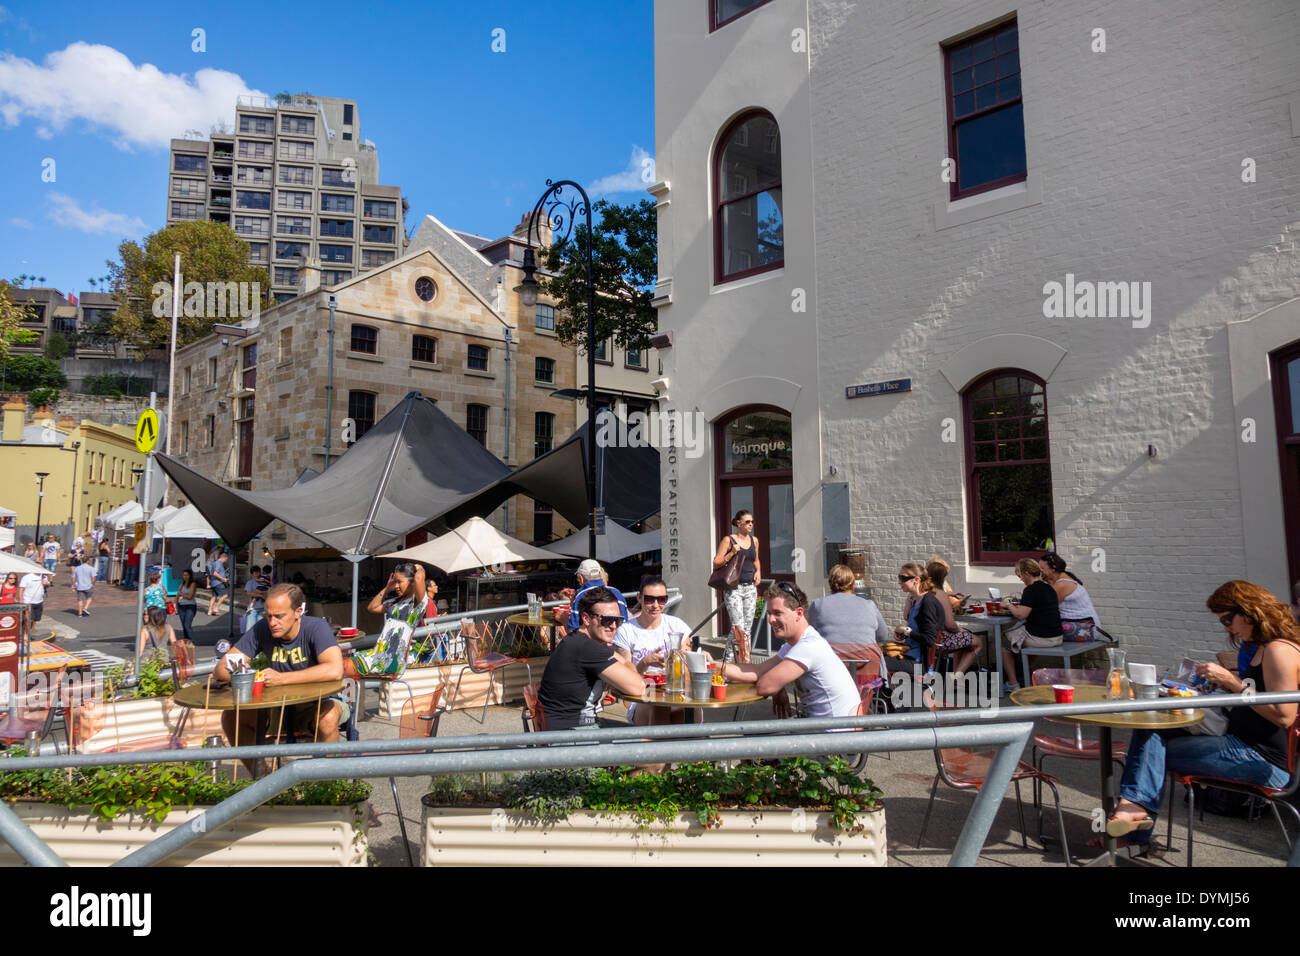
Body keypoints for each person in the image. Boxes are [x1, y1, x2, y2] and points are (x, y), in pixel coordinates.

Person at [1108, 580, 1300, 842]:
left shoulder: (1279, 650)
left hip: (1258, 757)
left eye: (1227, 620)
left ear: (1249, 611)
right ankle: (1133, 820)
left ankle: (1131, 823)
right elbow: (1253, 697)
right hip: (1237, 742)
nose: (1227, 628)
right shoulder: (1262, 648)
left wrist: (1233, 683)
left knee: (1150, 752)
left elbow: (1284, 715)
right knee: (1151, 728)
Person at [215, 583, 347, 748]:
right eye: (268, 616)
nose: (272, 622)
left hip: (319, 702)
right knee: (231, 717)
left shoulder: (316, 628)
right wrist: (246, 674)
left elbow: (335, 670)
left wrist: (281, 679)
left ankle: (329, 773)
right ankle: (263, 773)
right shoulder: (262, 629)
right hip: (279, 705)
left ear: (298, 612)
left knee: (327, 718)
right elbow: (222, 667)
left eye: (279, 616)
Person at [722, 582, 860, 719]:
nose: (770, 620)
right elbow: (759, 670)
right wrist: (712, 666)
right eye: (769, 613)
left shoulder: (808, 646)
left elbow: (765, 686)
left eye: (777, 613)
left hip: (834, 734)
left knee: (750, 736)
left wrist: (777, 686)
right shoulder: (796, 644)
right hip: (824, 728)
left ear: (799, 613)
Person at [538, 587, 644, 731]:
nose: (613, 626)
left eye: (617, 621)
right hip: (571, 734)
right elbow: (638, 687)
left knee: (647, 735)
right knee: (648, 740)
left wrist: (625, 674)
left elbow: (626, 663)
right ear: (586, 619)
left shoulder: (579, 639)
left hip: (567, 727)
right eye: (607, 620)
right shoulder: (587, 648)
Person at [614, 575, 694, 727]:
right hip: (645, 694)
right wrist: (644, 663)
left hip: (676, 693)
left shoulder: (677, 626)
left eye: (662, 599)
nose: (655, 605)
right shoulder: (626, 631)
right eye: (650, 599)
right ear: (639, 598)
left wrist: (676, 661)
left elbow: (688, 675)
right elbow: (624, 679)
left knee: (690, 711)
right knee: (659, 707)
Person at [348, 562, 427, 677]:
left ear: (412, 582)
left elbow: (419, 577)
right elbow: (372, 608)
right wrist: (387, 589)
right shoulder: (394, 602)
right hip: (379, 654)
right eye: (395, 582)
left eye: (399, 582)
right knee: (345, 663)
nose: (396, 586)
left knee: (346, 666)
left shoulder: (418, 602)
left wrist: (419, 567)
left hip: (392, 659)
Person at [999, 558, 1063, 693]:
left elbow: (1021, 615)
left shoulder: (1031, 590)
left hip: (1042, 639)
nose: (1020, 579)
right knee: (1019, 641)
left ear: (1027, 573)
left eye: (1020, 576)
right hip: (1057, 636)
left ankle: (1012, 682)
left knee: (1003, 642)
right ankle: (1025, 674)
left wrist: (1008, 605)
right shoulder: (1048, 587)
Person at [809, 563, 888, 650]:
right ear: (852, 583)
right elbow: (883, 635)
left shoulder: (818, 605)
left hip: (831, 659)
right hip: (867, 660)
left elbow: (810, 635)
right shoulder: (869, 605)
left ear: (831, 583)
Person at [924, 559, 983, 675]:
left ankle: (954, 677)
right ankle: (956, 678)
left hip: (921, 638)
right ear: (942, 578)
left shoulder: (917, 594)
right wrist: (960, 630)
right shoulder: (941, 595)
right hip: (938, 641)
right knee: (978, 642)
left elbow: (906, 615)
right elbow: (950, 625)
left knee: (964, 637)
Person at [713, 510, 761, 643]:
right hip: (734, 588)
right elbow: (716, 562)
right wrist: (732, 553)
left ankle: (745, 660)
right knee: (738, 628)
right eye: (747, 522)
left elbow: (756, 560)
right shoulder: (729, 540)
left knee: (747, 628)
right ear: (739, 523)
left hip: (750, 587)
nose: (750, 524)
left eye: (752, 522)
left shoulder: (754, 540)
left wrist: (758, 572)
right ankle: (728, 659)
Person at [891, 562, 945, 672]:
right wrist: (904, 635)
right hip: (909, 653)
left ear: (916, 580)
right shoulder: (916, 600)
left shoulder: (927, 603)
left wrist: (906, 631)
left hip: (919, 662)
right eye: (899, 577)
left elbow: (929, 639)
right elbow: (918, 632)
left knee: (877, 663)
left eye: (903, 578)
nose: (899, 582)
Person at [1038, 552, 1101, 641]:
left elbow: (1045, 609)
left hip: (1087, 629)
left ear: (1053, 568)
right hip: (1086, 626)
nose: (1040, 572)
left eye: (1042, 568)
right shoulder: (1064, 579)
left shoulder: (1061, 584)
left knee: (1033, 632)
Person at [565, 559, 628, 629]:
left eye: (578, 580)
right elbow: (625, 623)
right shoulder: (617, 593)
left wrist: (563, 619)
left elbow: (574, 630)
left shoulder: (580, 596)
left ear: (581, 578)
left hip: (591, 639)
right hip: (619, 637)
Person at [176, 569, 199, 642]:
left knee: (187, 624)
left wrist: (181, 594)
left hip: (190, 606)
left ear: (190, 576)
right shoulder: (182, 584)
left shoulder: (193, 584)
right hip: (181, 606)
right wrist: (175, 604)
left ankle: (191, 641)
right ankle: (186, 640)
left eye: (186, 575)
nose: (184, 577)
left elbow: (190, 596)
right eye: (183, 575)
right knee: (184, 625)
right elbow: (177, 596)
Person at [207, 550, 229, 616]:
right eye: (226, 559)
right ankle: (216, 608)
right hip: (218, 582)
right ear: (224, 557)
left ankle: (210, 610)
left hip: (213, 582)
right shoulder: (218, 563)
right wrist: (223, 579)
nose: (226, 561)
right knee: (225, 595)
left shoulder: (215, 563)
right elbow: (215, 573)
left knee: (214, 596)